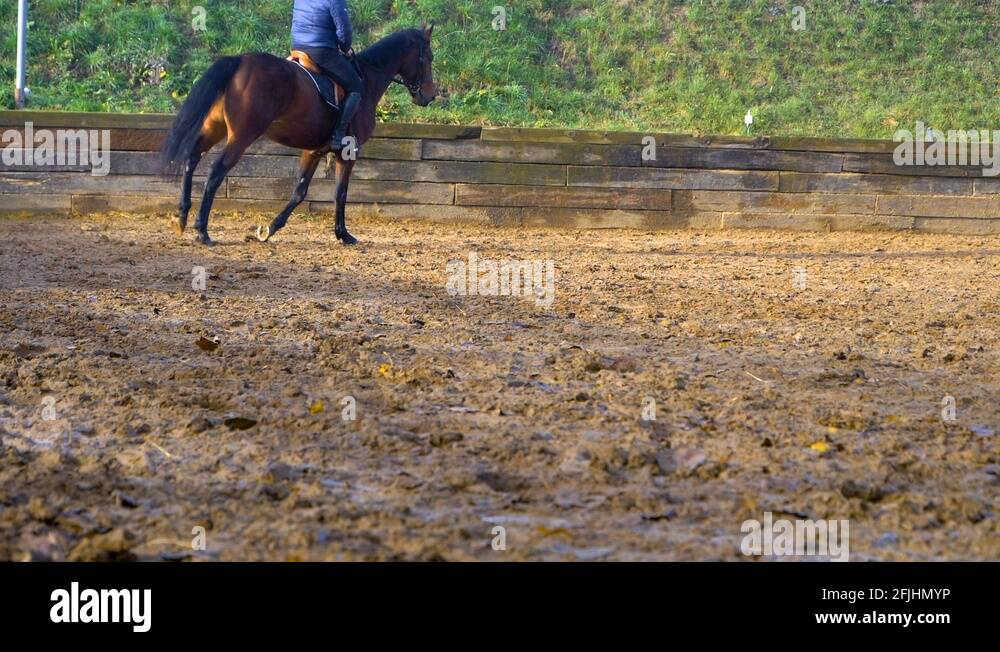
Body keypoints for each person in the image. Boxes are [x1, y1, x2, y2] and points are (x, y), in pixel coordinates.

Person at [291, 0, 363, 152]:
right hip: (321, 51)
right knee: (356, 87)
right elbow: (343, 30)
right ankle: (339, 136)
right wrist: (345, 47)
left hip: (298, 47)